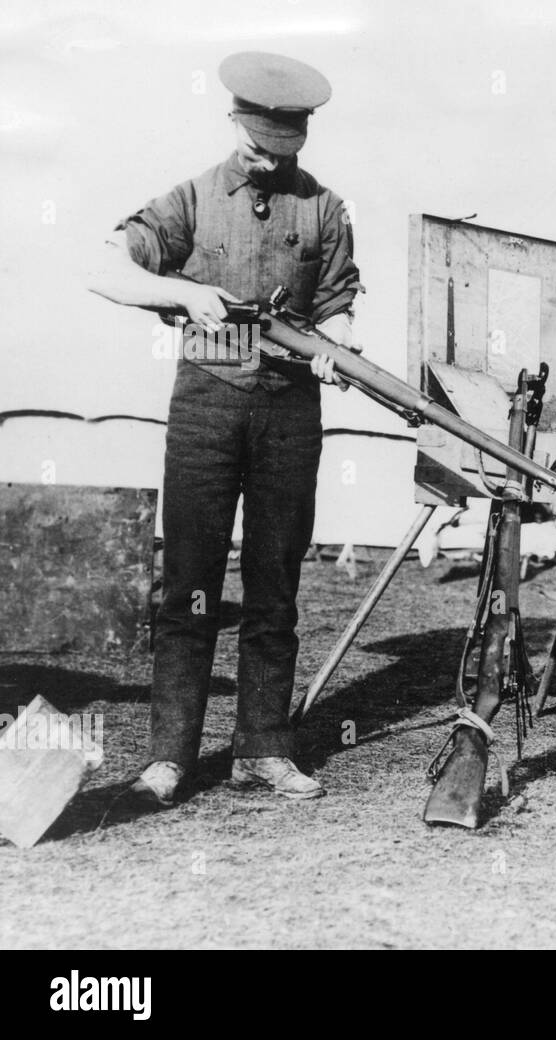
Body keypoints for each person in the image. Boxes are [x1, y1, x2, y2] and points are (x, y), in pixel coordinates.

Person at [86, 52, 363, 805]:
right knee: (190, 588)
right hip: (206, 404)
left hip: (290, 411)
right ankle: (170, 756)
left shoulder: (325, 208)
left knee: (276, 585)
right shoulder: (192, 199)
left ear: (299, 139)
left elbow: (337, 299)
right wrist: (182, 293)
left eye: (280, 150)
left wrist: (336, 347)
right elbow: (105, 269)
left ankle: (263, 751)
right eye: (254, 145)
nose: (263, 161)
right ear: (234, 123)